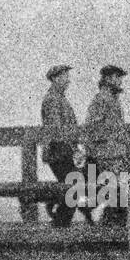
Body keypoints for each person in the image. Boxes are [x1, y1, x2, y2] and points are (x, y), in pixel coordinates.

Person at [40, 64, 91, 227]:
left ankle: (59, 219)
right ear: (55, 78)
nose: (68, 80)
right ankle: (59, 224)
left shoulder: (61, 99)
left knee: (74, 186)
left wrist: (76, 147)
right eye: (65, 77)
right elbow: (57, 130)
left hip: (65, 151)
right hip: (58, 151)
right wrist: (73, 146)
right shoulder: (52, 99)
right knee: (74, 187)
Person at [84, 65, 130, 226]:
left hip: (116, 154)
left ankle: (112, 228)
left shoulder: (111, 99)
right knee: (117, 189)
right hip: (108, 155)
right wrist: (108, 142)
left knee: (120, 191)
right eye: (117, 77)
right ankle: (107, 224)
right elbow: (92, 127)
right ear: (108, 79)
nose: (119, 81)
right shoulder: (102, 99)